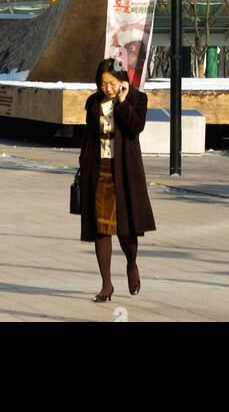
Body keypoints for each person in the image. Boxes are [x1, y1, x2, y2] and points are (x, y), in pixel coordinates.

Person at [79, 59, 156, 302]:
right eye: (103, 84)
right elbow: (89, 136)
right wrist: (82, 164)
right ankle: (106, 285)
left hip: (124, 172)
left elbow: (135, 128)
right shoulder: (94, 102)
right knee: (102, 228)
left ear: (121, 80)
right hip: (99, 170)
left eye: (111, 83)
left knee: (125, 229)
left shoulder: (137, 99)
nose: (107, 88)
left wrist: (122, 102)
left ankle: (131, 264)